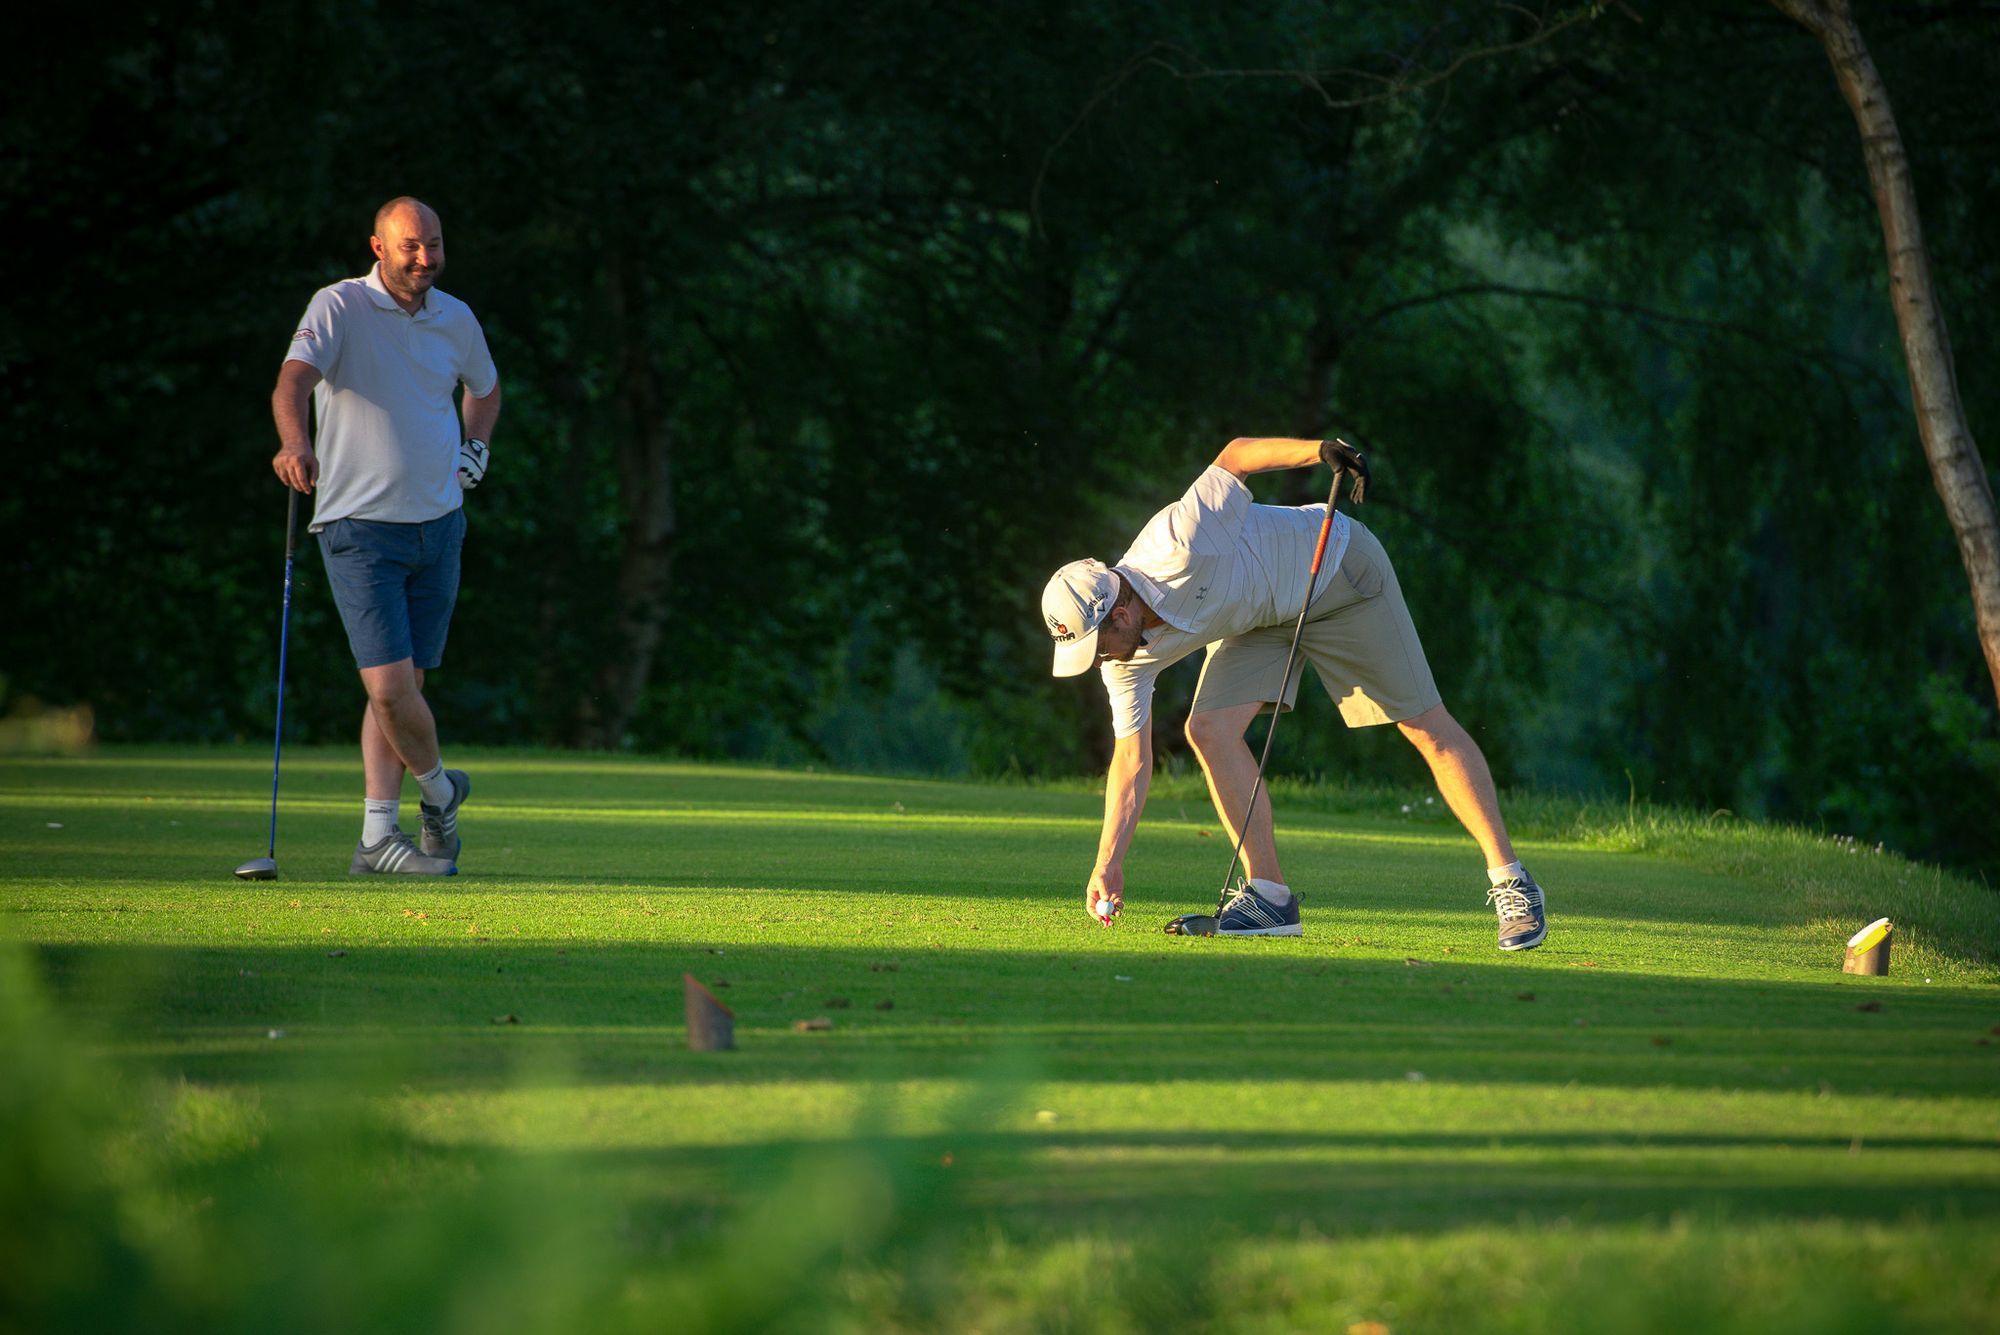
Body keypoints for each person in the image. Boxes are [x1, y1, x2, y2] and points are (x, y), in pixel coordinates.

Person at [1040, 436, 1548, 949]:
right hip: (1264, 616)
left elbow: (1235, 455)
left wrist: (1319, 450)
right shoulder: (1126, 661)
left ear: (1119, 614)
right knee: (1210, 729)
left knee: (1423, 725)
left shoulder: (1178, 543)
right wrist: (1108, 864)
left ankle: (1513, 883)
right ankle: (1270, 897)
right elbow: (1131, 761)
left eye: (1096, 646)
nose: (1098, 660)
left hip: (1337, 571)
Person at [269, 197, 501, 875]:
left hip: (438, 526)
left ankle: (376, 838)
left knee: (402, 689)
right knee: (392, 689)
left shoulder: (455, 317)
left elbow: (484, 390)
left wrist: (475, 450)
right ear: (378, 246)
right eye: (410, 247)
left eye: (434, 243)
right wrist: (294, 443)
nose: (426, 257)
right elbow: (292, 382)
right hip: (358, 527)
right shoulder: (337, 307)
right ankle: (440, 790)